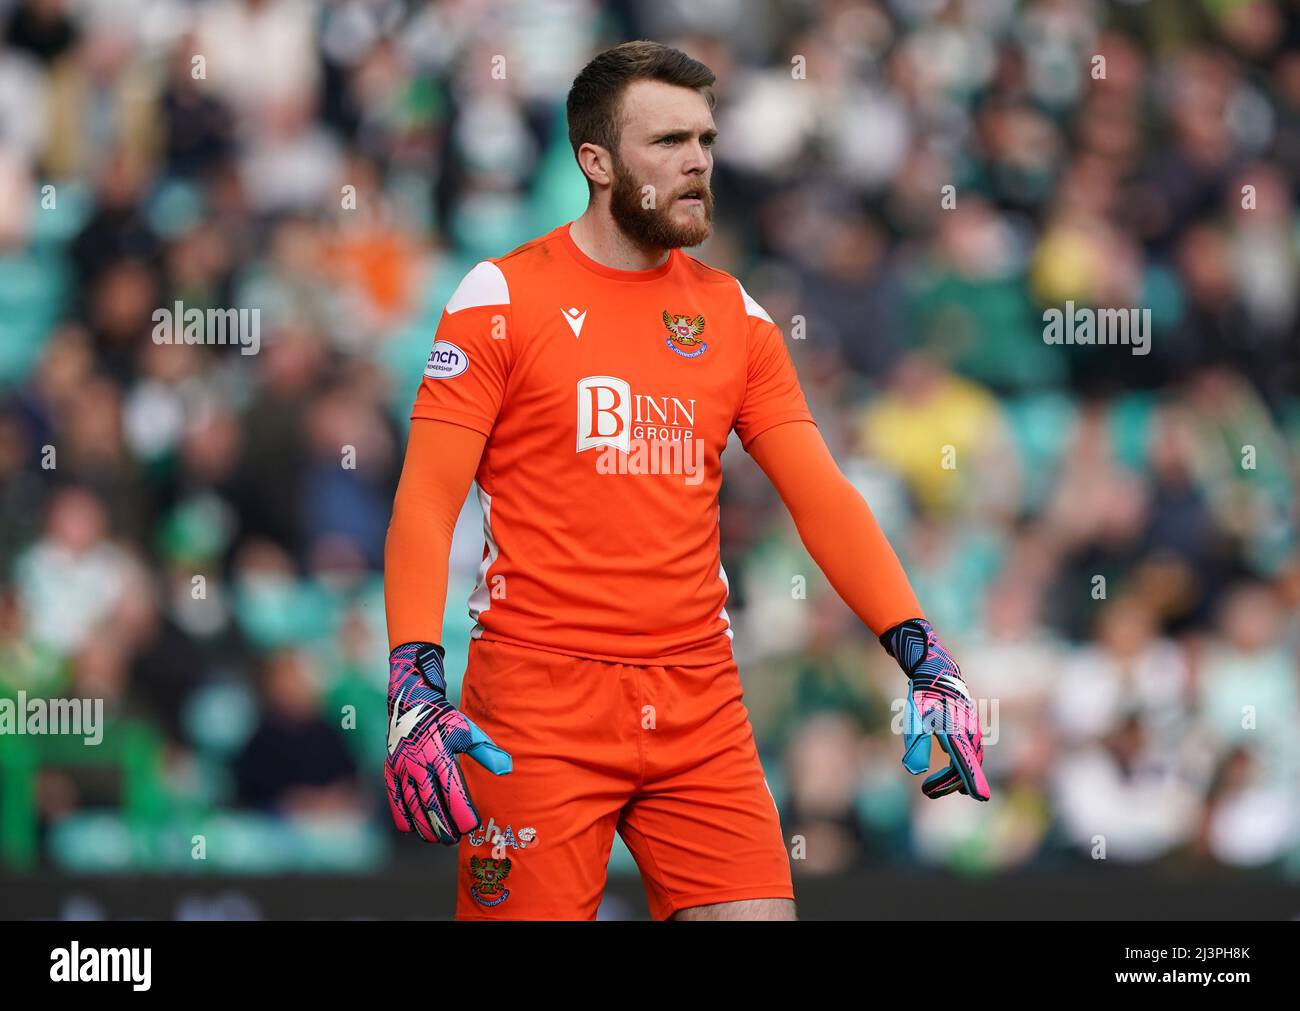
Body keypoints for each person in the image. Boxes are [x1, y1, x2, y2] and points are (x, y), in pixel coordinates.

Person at [383, 40, 988, 922]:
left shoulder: (735, 317)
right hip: (538, 705)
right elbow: (426, 500)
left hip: (698, 698)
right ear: (595, 161)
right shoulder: (499, 298)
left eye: (703, 138)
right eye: (666, 141)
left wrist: (924, 653)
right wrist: (411, 678)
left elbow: (821, 494)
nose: (697, 160)